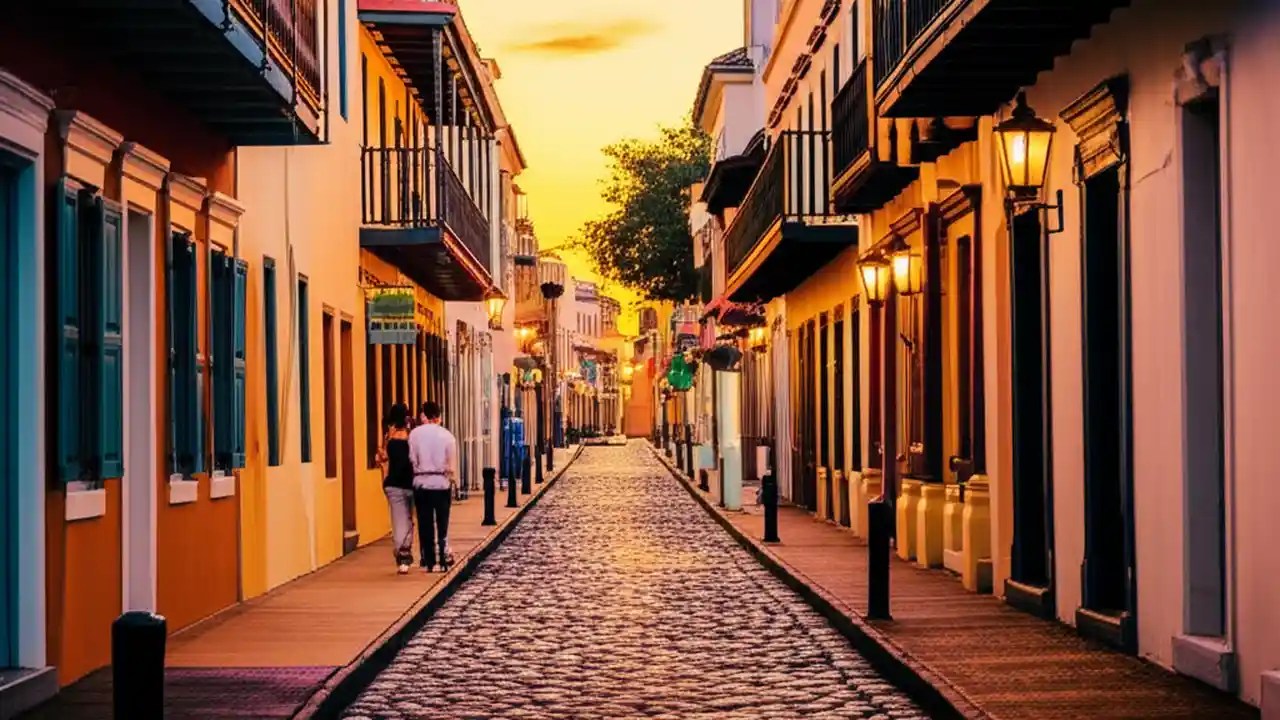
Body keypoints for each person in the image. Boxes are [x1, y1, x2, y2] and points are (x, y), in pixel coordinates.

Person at [409, 400, 457, 572]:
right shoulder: (447, 436)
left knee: (425, 522)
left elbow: (412, 459)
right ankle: (443, 555)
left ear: (424, 415)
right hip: (441, 483)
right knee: (442, 522)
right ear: (439, 416)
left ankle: (429, 560)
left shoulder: (414, 435)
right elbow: (451, 465)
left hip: (421, 483)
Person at [376, 403, 415, 574]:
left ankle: (402, 553)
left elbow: (383, 458)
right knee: (409, 518)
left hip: (393, 484)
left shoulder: (388, 438)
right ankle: (405, 550)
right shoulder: (412, 437)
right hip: (411, 483)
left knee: (399, 519)